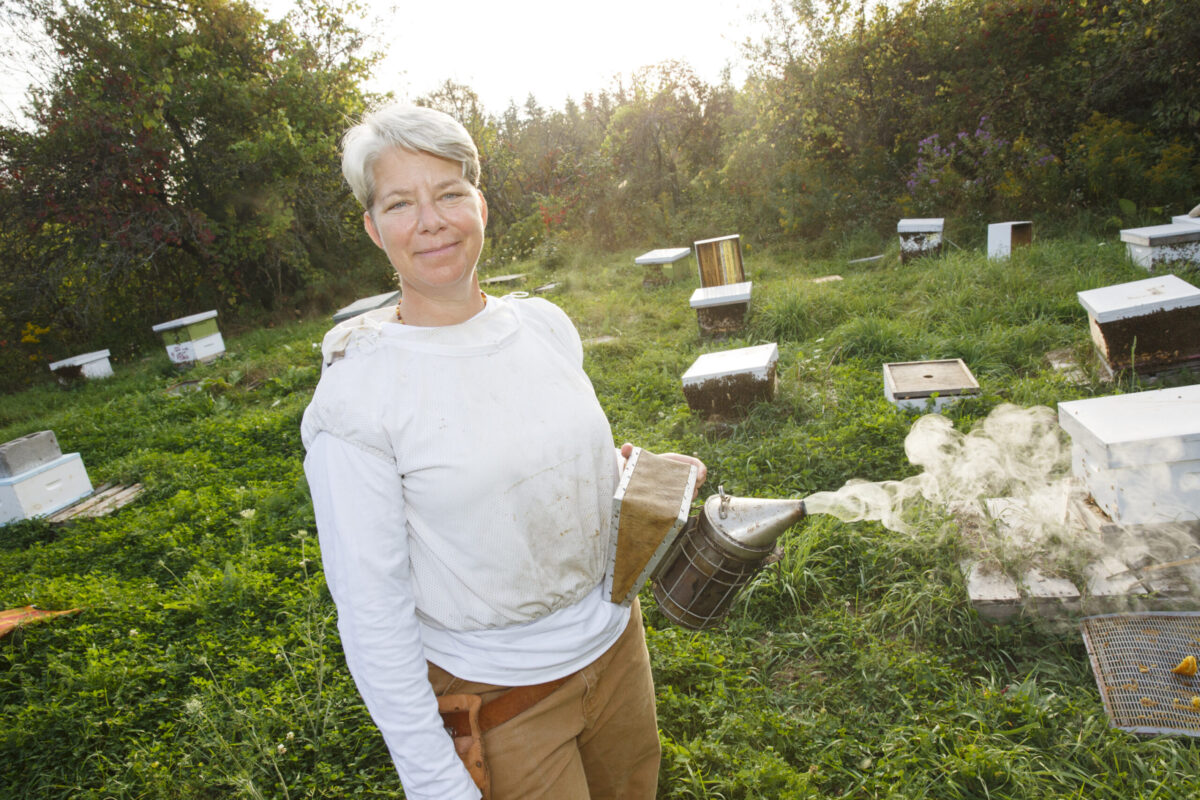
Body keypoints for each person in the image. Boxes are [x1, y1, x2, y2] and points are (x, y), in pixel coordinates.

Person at [301, 103, 706, 800]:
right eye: (400, 203)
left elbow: (542, 461)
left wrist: (636, 479)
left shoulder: (544, 326)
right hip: (501, 696)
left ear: (480, 205)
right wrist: (436, 782)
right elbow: (372, 613)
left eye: (449, 193)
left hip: (616, 646)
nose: (431, 221)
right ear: (373, 228)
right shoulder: (357, 398)